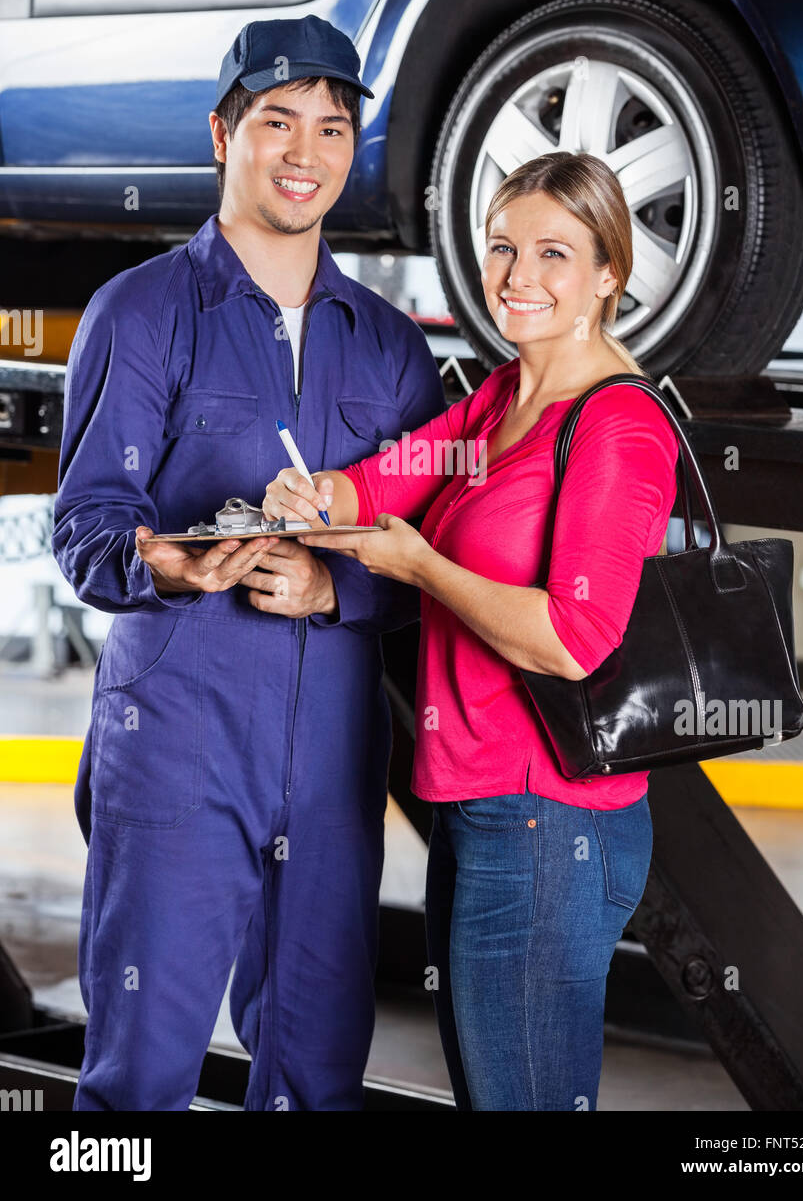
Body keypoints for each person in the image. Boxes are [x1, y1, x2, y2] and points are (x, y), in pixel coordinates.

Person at [52, 15, 445, 1111]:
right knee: (138, 1077)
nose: (303, 150)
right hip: (176, 739)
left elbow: (432, 552)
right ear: (223, 132)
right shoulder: (140, 312)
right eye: (275, 120)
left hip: (328, 759)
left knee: (317, 1076)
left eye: (330, 125)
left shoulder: (390, 345)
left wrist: (335, 585)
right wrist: (175, 563)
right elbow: (87, 523)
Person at [263, 150, 680, 1111]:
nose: (518, 277)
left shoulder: (616, 426)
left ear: (610, 273)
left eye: (553, 253)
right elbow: (381, 483)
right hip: (482, 808)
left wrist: (422, 568)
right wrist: (309, 493)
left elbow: (575, 639)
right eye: (501, 247)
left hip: (549, 822)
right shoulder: (501, 400)